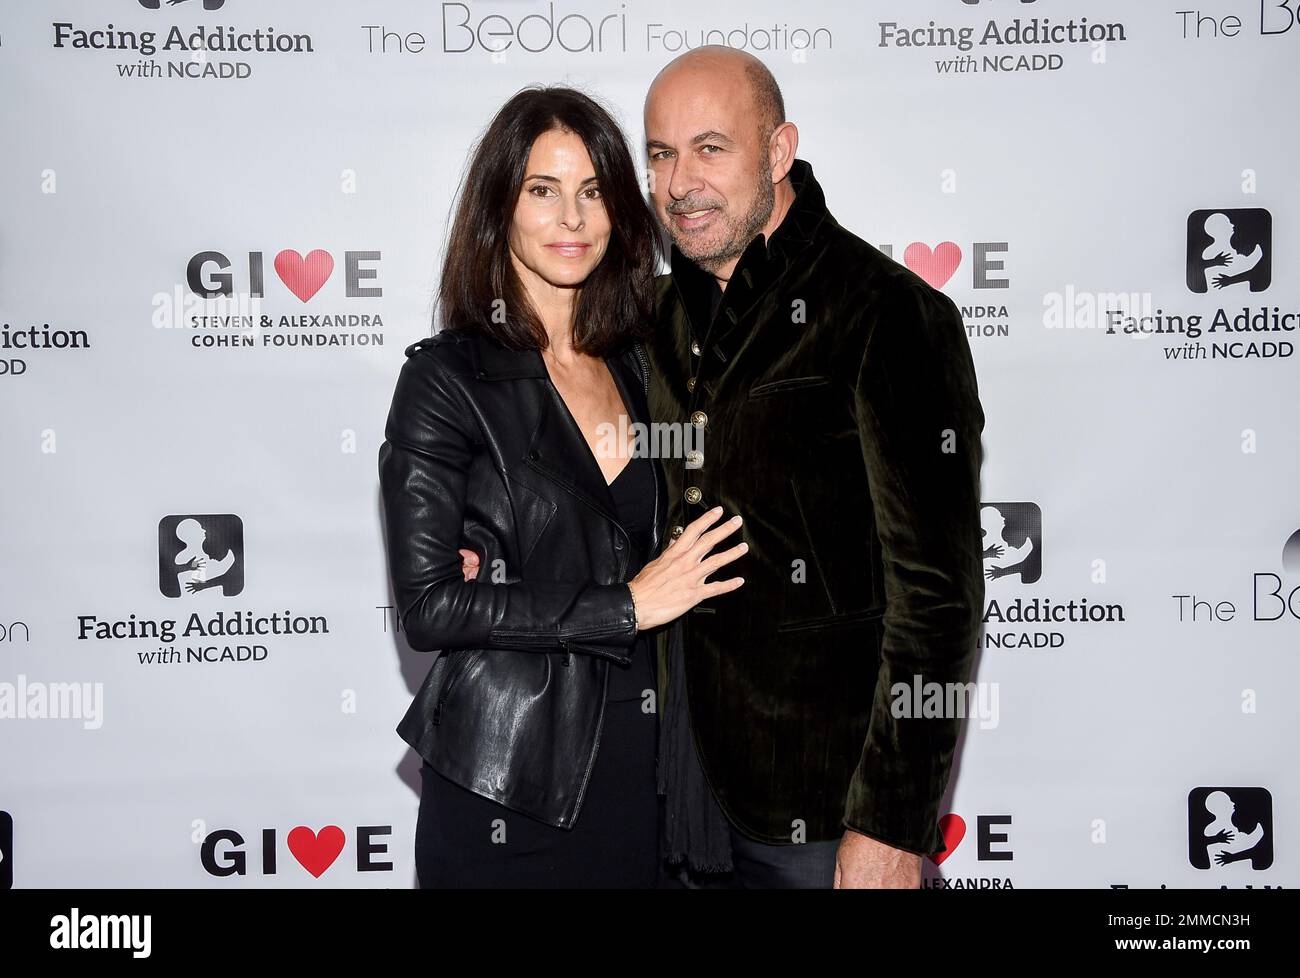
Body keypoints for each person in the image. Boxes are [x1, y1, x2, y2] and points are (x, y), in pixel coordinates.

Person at [377, 85, 747, 888]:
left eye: (593, 192)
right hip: (511, 781)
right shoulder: (448, 380)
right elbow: (430, 607)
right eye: (542, 191)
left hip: (649, 774)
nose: (572, 219)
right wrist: (626, 605)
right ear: (500, 209)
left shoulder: (643, 362)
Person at [641, 47, 987, 888]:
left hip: (823, 806)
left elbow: (939, 597)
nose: (681, 182)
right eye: (661, 154)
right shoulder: (655, 314)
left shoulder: (887, 311)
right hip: (670, 787)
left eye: (711, 148)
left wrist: (892, 825)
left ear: (779, 150)